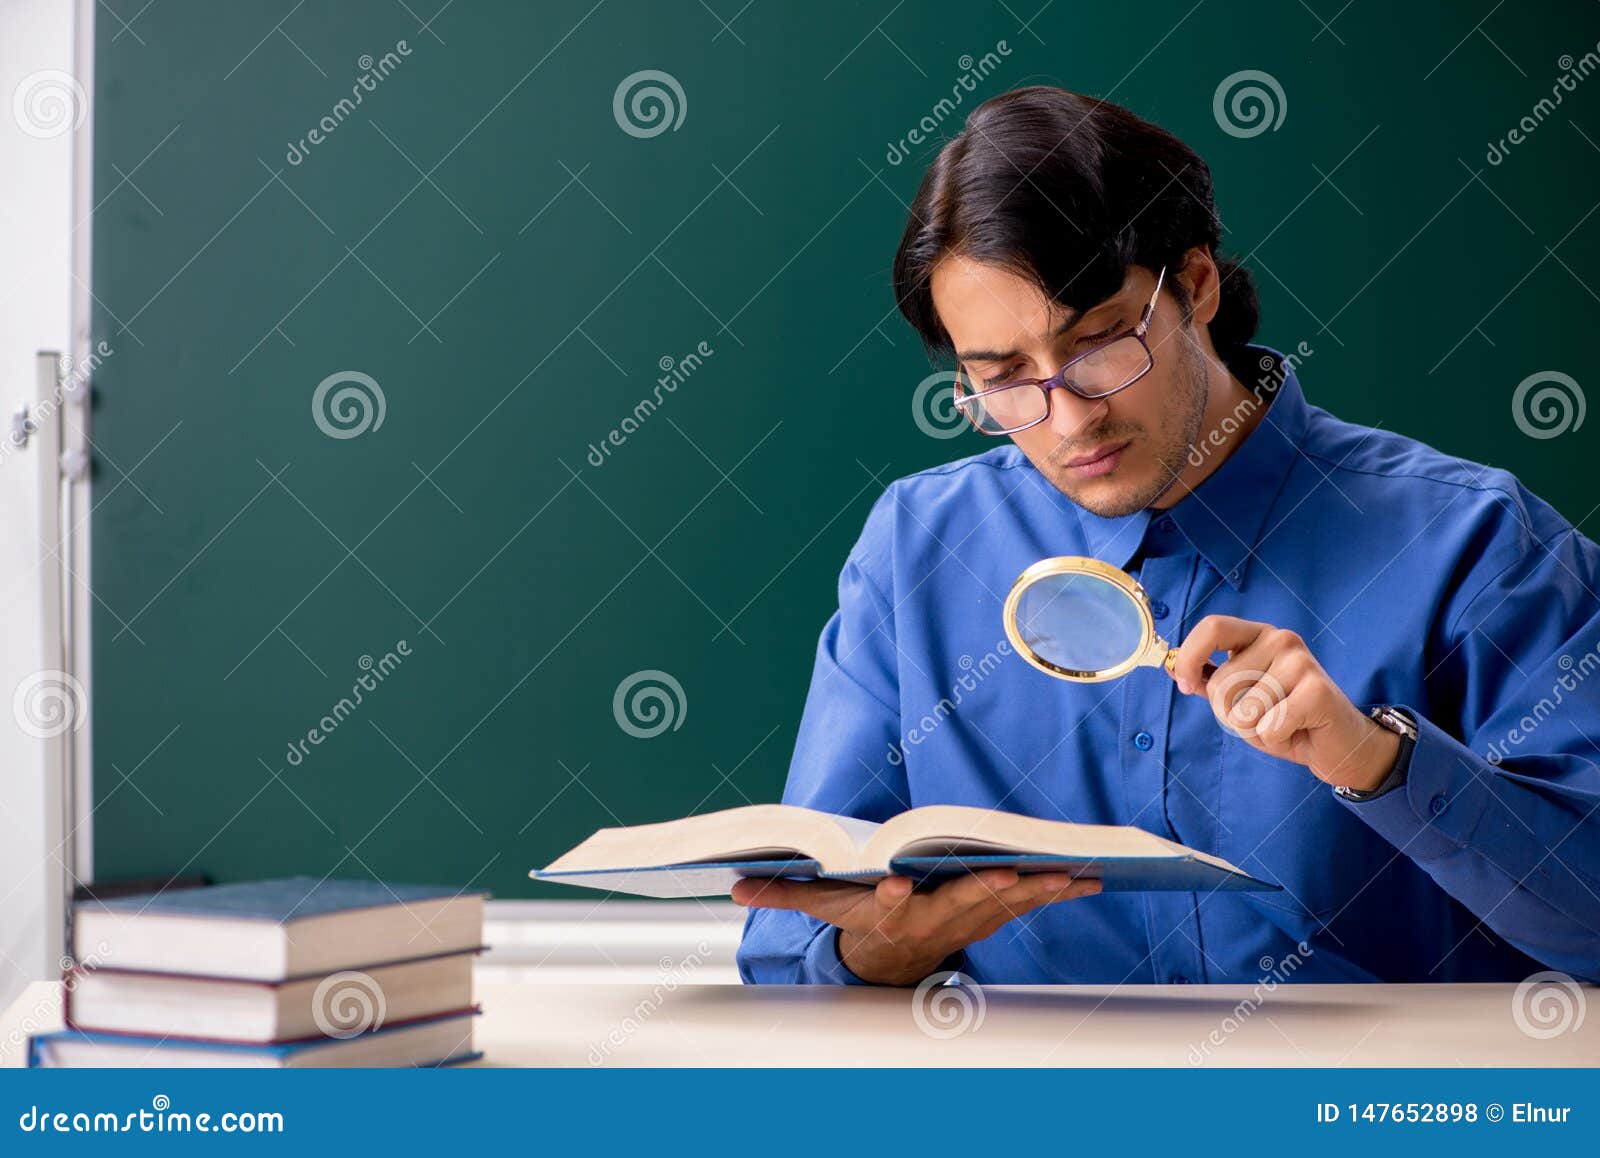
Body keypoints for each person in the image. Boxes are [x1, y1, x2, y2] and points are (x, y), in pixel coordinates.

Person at [734, 86, 1600, 986]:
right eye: (1003, 378)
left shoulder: (1477, 542)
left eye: (1099, 346)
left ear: (1193, 285)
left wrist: (1379, 763)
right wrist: (884, 949)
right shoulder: (918, 548)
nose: (1066, 420)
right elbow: (789, 947)